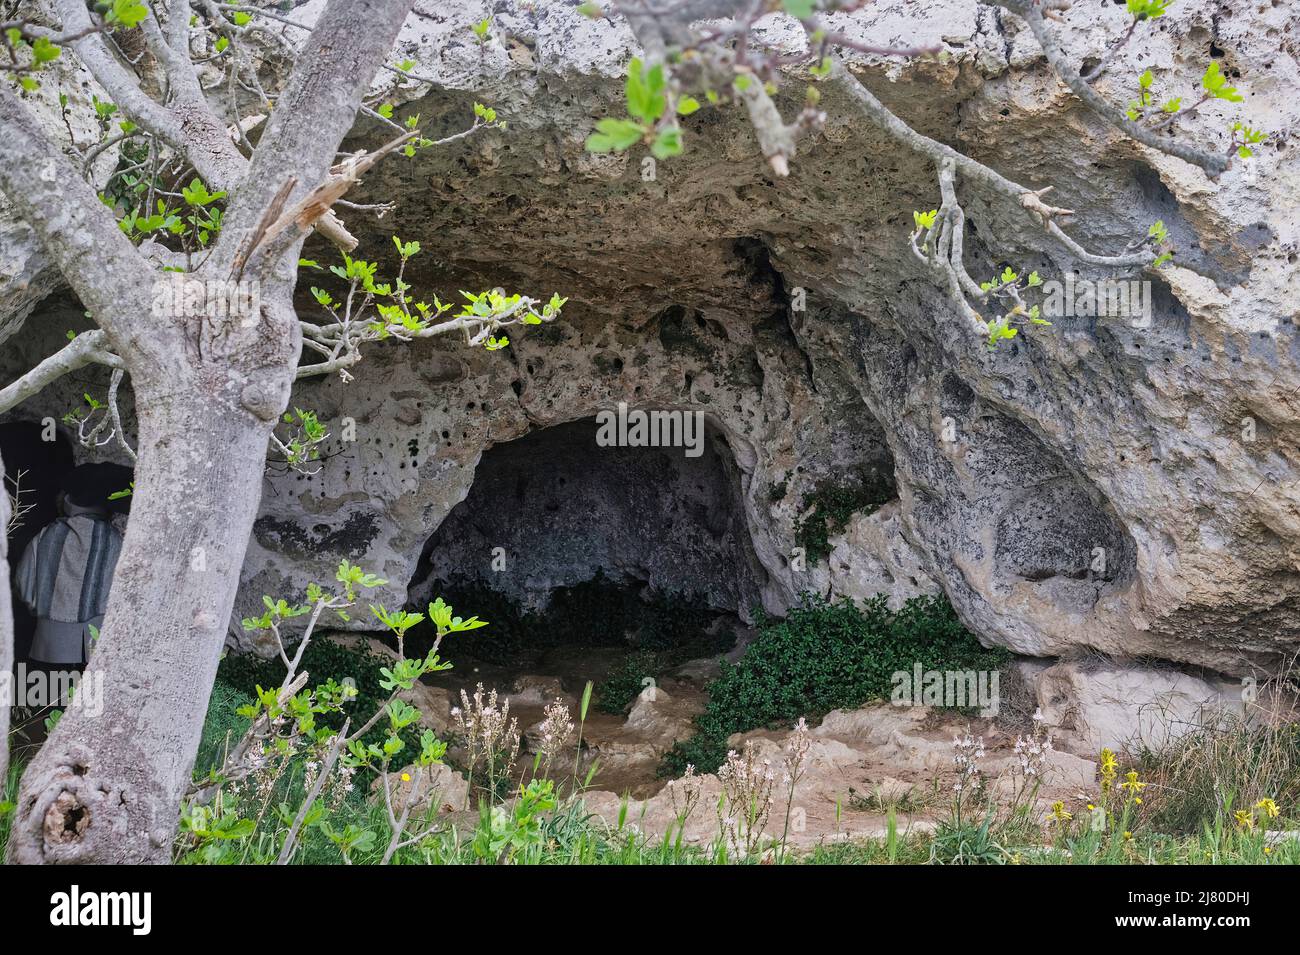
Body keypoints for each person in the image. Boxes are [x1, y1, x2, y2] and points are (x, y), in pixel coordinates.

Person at [15, 463, 131, 666]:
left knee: (48, 696)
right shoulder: (116, 542)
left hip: (47, 647)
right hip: (98, 648)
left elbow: (23, 586)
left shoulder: (45, 537)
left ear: (69, 500)